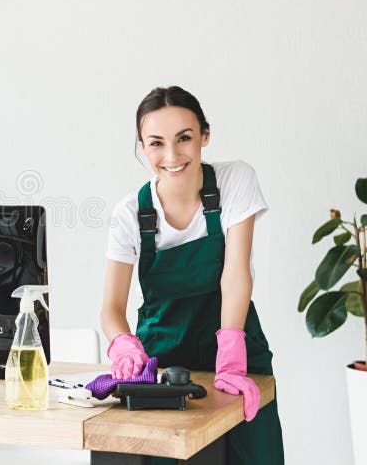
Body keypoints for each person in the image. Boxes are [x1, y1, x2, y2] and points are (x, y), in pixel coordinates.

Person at [101, 86, 284, 465]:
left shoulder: (235, 181)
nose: (171, 156)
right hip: (167, 367)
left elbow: (235, 274)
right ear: (142, 147)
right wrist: (123, 344)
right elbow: (112, 308)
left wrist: (231, 353)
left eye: (184, 138)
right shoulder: (130, 214)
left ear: (205, 136)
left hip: (237, 355)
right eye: (156, 143)